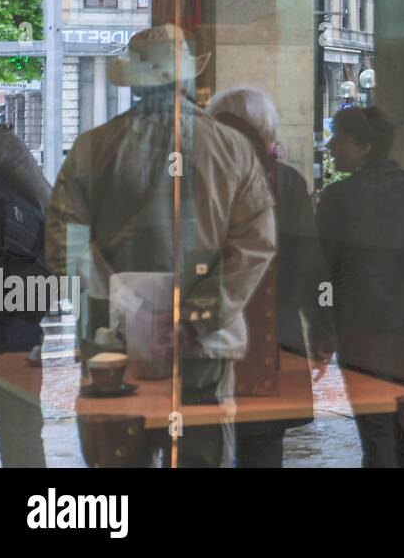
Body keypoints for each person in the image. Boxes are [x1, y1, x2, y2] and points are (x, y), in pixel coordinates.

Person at [45, 25, 277, 467]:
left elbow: (64, 243)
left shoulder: (91, 149)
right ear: (185, 78)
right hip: (202, 349)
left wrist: (124, 309)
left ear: (132, 82)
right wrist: (194, 319)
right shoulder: (232, 149)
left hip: (110, 346)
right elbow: (254, 245)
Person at [316, 106, 404, 467]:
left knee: (377, 429)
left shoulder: (338, 198)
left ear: (364, 146)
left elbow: (324, 273)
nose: (330, 146)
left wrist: (323, 334)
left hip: (362, 331)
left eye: (340, 138)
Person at [210, 86, 334, 468]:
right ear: (266, 129)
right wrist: (323, 334)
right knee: (262, 450)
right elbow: (309, 267)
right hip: (270, 346)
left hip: (199, 345)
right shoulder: (286, 183)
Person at [0, 76, 52, 467]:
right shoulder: (2, 145)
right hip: (9, 310)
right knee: (20, 428)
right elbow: (51, 207)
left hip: (5, 311)